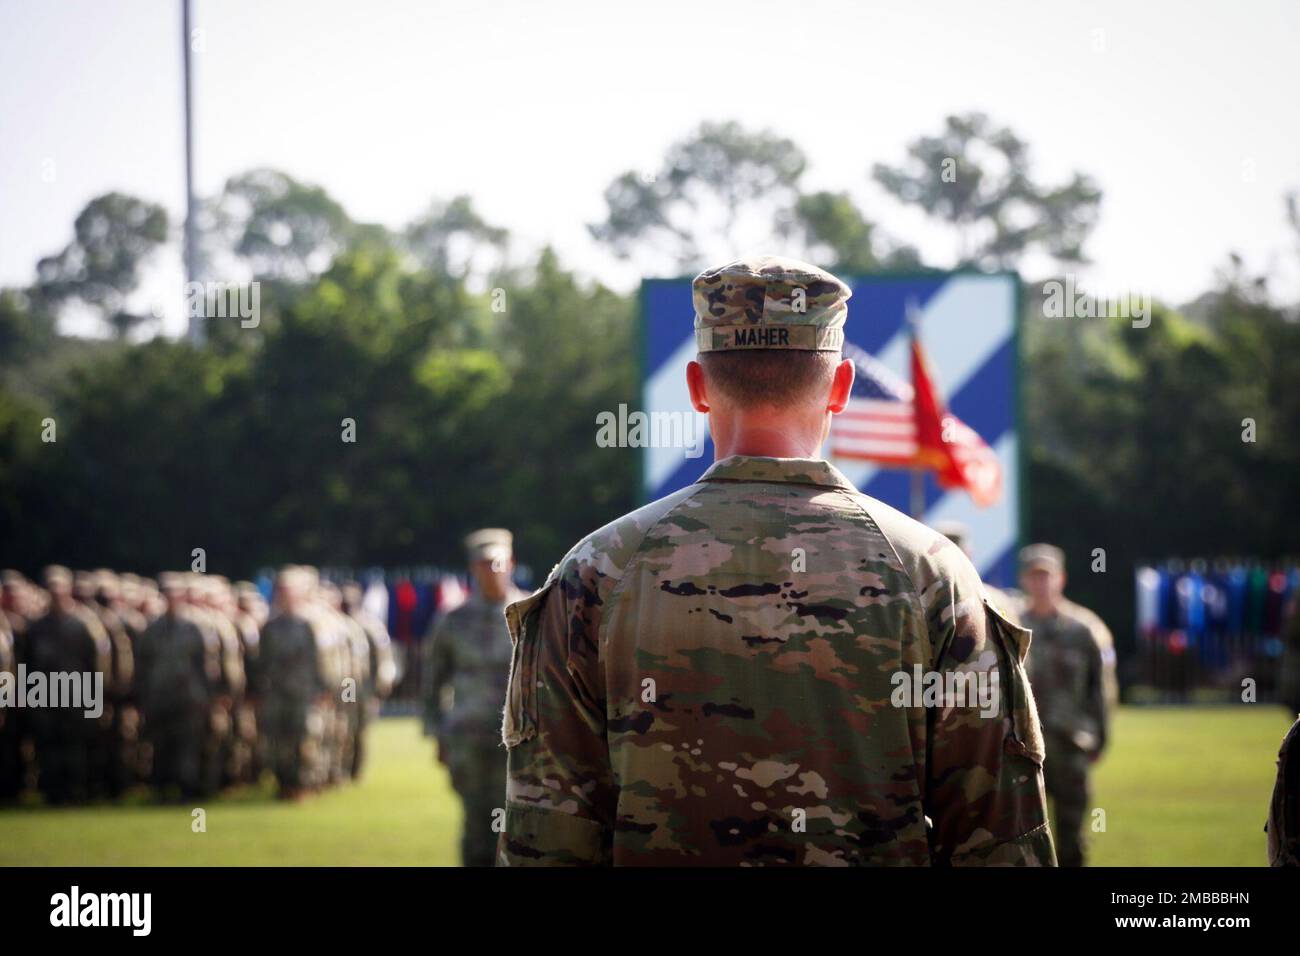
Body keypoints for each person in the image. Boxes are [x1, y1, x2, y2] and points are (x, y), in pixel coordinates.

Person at [497, 255, 1055, 866]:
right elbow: (1000, 841)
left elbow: (546, 842)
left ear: (696, 387)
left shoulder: (594, 572)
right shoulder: (934, 575)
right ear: (841, 387)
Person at [425, 529, 523, 867]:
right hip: (468, 736)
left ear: (511, 563)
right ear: (474, 568)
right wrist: (436, 733)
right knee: (476, 820)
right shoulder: (453, 620)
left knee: (516, 823)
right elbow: (432, 682)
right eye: (485, 564)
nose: (492, 570)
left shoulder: (529, 612)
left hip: (519, 740)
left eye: (498, 563)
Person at [1013, 544, 1110, 867]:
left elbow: (1100, 691)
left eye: (1047, 575)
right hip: (1023, 751)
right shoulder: (1012, 626)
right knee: (1022, 839)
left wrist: (1100, 739)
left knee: (1072, 838)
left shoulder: (1084, 630)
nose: (1041, 583)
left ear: (1061, 578)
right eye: (1034, 576)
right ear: (1024, 580)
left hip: (1071, 746)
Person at [25, 566, 113, 804]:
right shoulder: (37, 627)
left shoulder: (84, 623)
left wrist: (97, 699)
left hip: (78, 696)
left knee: (77, 747)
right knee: (49, 747)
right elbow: (27, 665)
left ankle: (78, 791)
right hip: (46, 695)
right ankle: (54, 793)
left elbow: (99, 663)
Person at [135, 573, 221, 801]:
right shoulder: (152, 630)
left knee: (188, 747)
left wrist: (209, 698)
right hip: (160, 697)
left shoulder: (197, 628)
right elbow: (142, 664)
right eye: (167, 596)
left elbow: (209, 667)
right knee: (161, 745)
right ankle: (162, 790)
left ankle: (187, 789)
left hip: (189, 698)